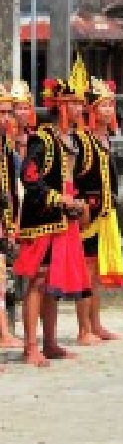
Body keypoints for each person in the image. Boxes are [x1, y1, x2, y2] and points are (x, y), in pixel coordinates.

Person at [13, 76, 92, 366]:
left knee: (52, 282)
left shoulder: (69, 140)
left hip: (61, 220)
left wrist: (77, 203)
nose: (80, 107)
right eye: (74, 102)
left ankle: (49, 342)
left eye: (81, 103)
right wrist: (61, 199)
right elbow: (30, 177)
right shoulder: (42, 140)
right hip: (41, 219)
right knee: (38, 280)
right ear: (61, 105)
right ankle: (30, 345)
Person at [74, 76, 123, 342]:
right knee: (86, 271)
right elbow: (73, 179)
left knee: (95, 272)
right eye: (102, 106)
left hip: (105, 213)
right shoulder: (82, 141)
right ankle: (83, 328)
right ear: (91, 109)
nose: (107, 110)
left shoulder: (106, 138)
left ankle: (96, 324)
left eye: (110, 105)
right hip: (87, 216)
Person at [0, 85, 23, 354]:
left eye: (8, 112)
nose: (6, 117)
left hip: (3, 220)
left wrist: (12, 220)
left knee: (2, 281)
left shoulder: (7, 149)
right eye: (2, 112)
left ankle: (5, 332)